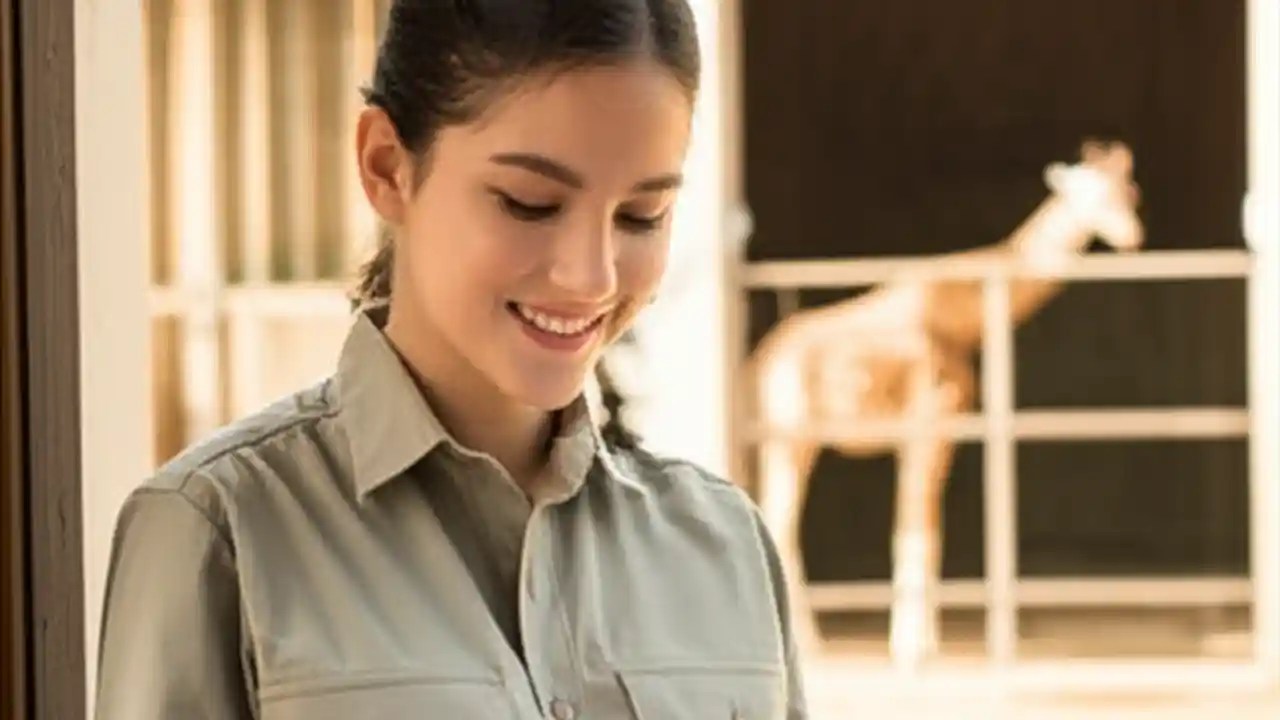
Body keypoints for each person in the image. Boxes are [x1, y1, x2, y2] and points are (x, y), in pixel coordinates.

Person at [95, 1, 808, 717]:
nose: (591, 276)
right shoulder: (219, 533)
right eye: (530, 203)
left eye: (640, 217)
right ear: (386, 166)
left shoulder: (726, 548)